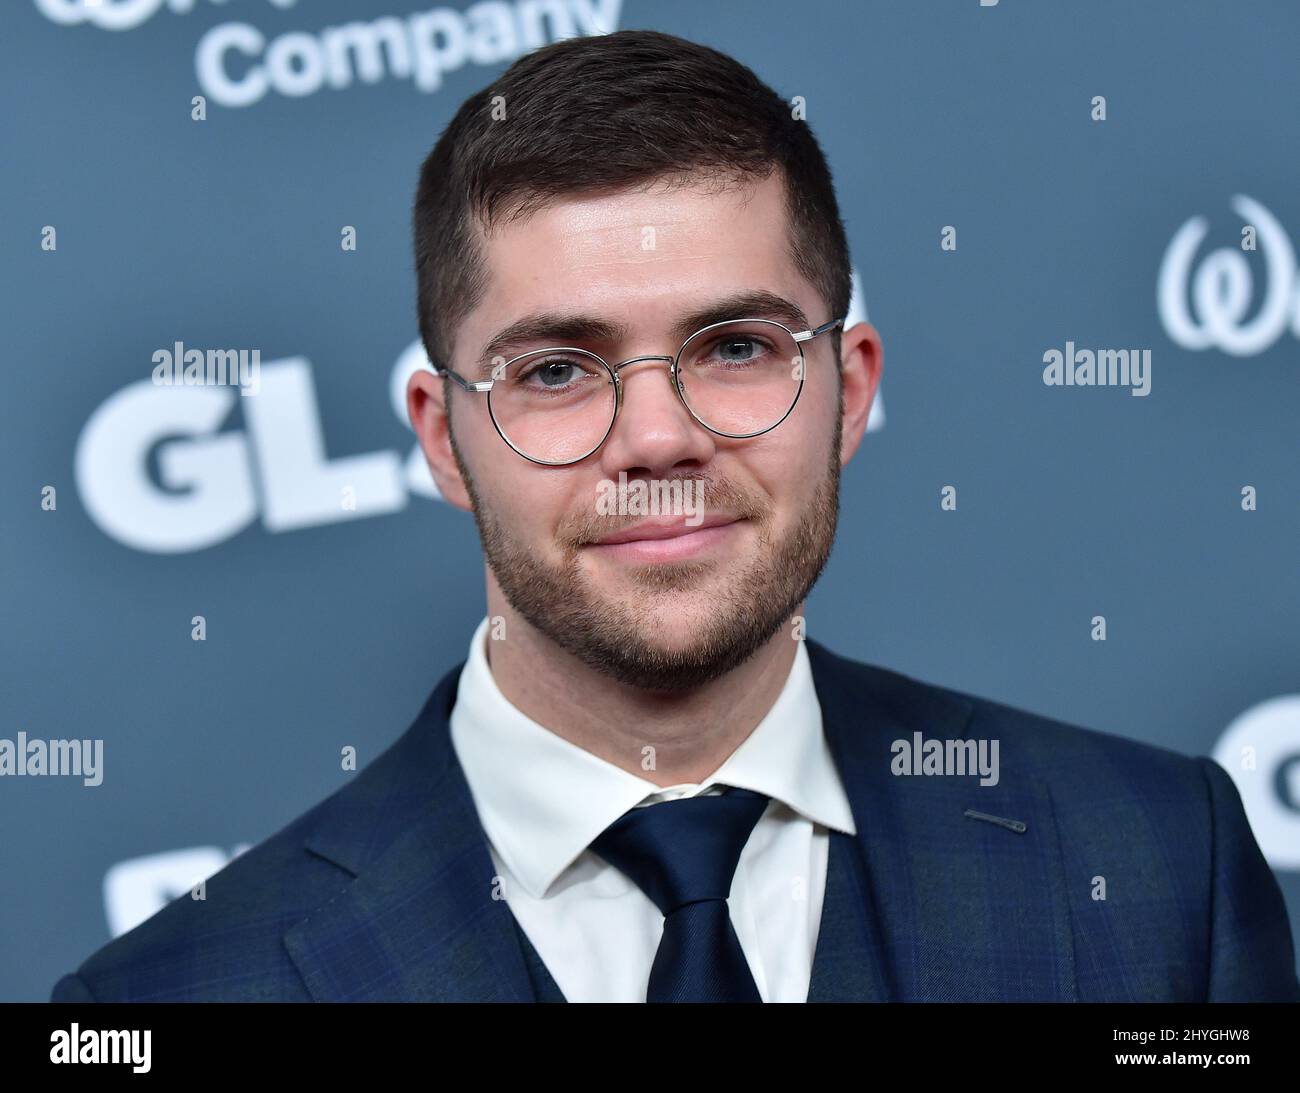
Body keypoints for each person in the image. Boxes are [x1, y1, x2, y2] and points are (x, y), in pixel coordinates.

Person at [51, 28, 1298, 1004]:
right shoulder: (176, 996)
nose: (657, 437)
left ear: (849, 389)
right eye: (553, 370)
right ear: (444, 436)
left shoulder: (1151, 869)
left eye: (737, 345)